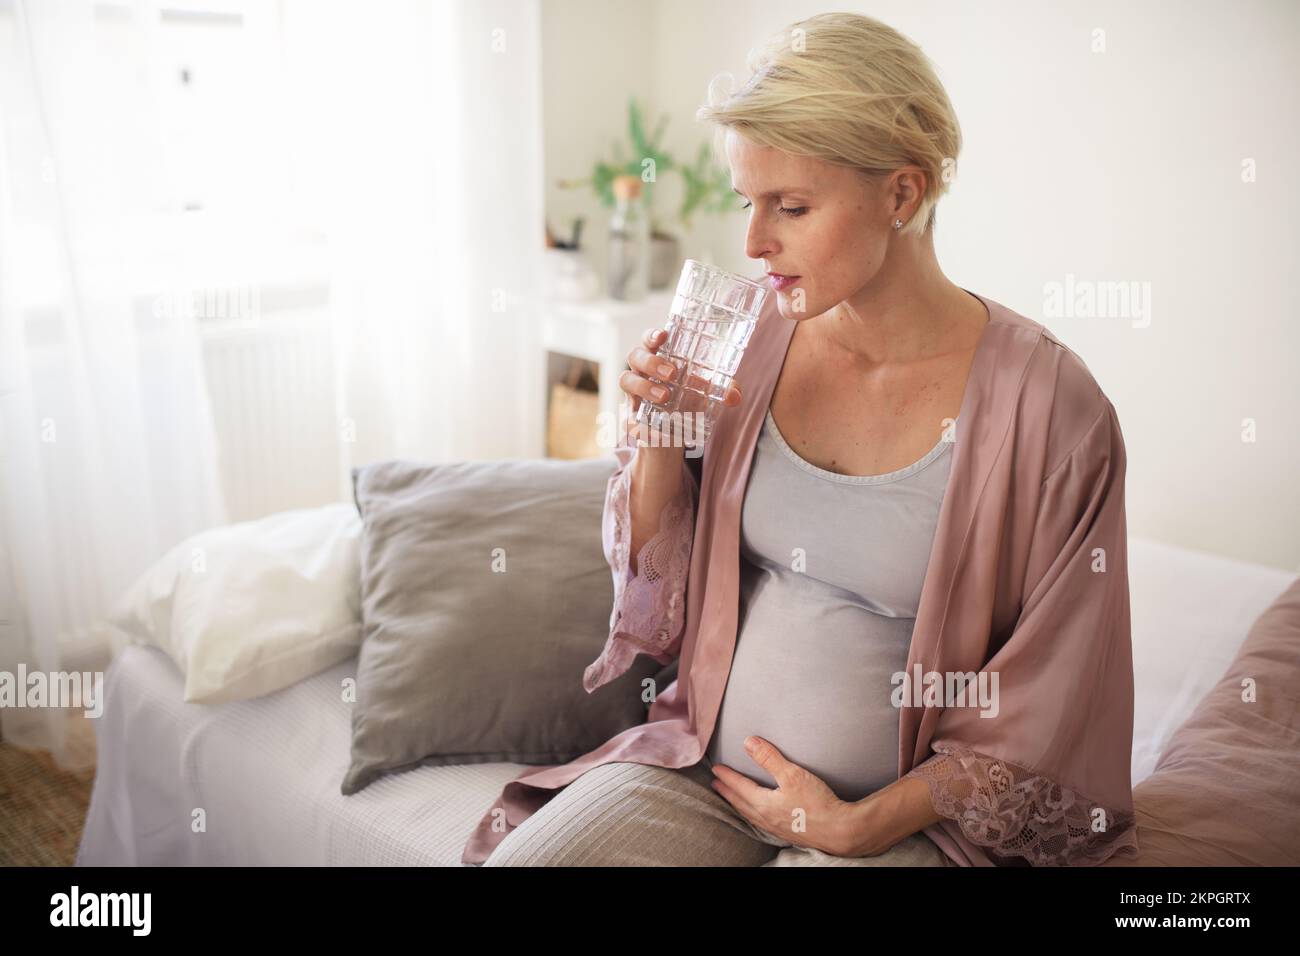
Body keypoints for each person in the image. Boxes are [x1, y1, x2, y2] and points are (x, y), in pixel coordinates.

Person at [463, 11, 1140, 867]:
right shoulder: (743, 333)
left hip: (896, 825)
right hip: (702, 772)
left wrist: (864, 826)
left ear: (901, 192)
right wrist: (659, 436)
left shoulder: (1051, 406)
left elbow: (1057, 689)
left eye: (791, 206)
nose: (752, 242)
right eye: (749, 203)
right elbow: (655, 598)